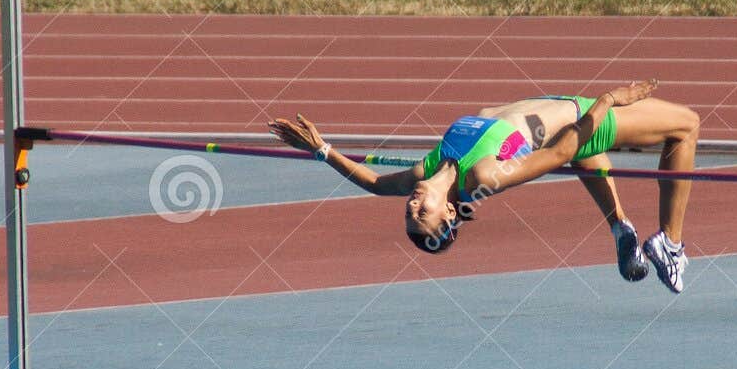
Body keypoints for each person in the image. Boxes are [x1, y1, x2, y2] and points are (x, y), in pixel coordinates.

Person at [268, 82, 700, 292]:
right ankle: (671, 243)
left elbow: (373, 183)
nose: (413, 206)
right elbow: (556, 154)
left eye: (409, 213)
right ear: (451, 213)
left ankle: (620, 226)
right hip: (584, 116)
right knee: (686, 125)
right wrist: (608, 101)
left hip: (558, 104)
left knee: (582, 154)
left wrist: (321, 148)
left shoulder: (427, 170)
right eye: (424, 215)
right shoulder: (484, 178)